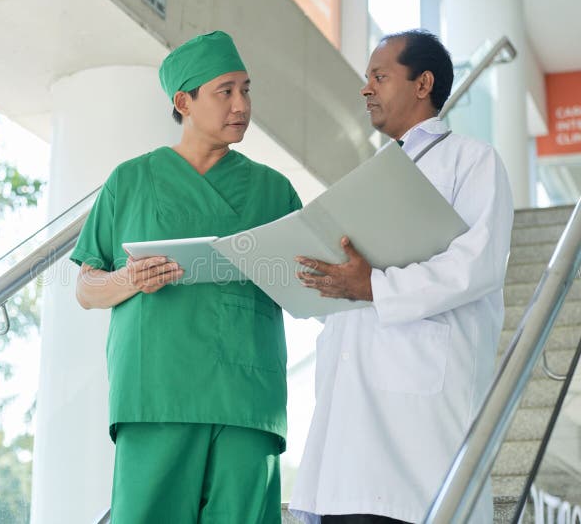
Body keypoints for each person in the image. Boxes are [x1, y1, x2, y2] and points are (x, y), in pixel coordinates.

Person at [70, 31, 301, 523]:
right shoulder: (129, 182)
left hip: (246, 394)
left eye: (246, 89)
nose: (242, 104)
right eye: (226, 91)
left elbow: (306, 280)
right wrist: (130, 279)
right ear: (184, 102)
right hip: (157, 390)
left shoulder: (275, 190)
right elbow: (86, 288)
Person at [289, 30, 513, 524]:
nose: (365, 89)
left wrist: (374, 286)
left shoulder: (471, 161)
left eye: (379, 76)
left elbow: (476, 265)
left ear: (422, 83)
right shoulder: (372, 174)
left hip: (416, 441)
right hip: (346, 440)